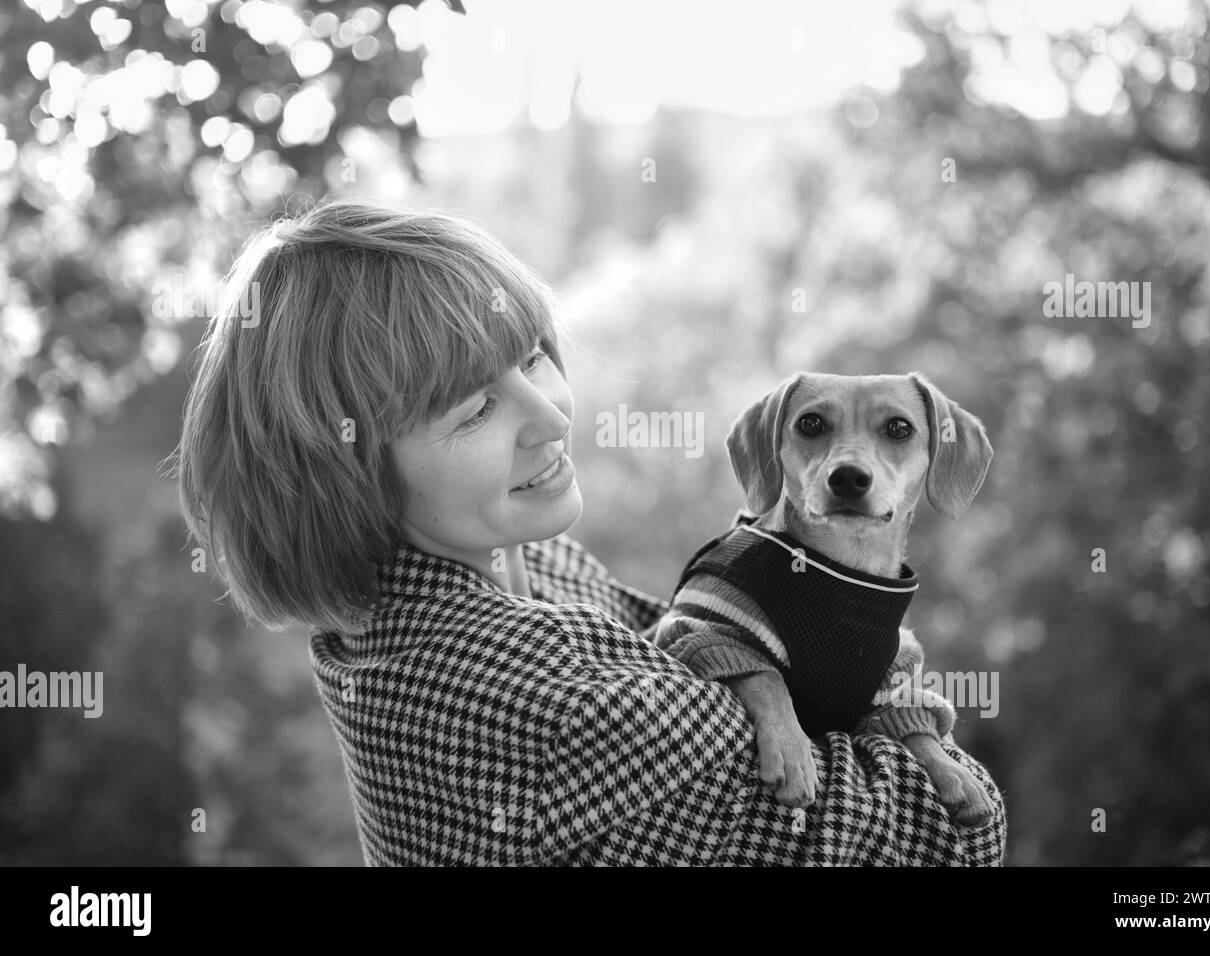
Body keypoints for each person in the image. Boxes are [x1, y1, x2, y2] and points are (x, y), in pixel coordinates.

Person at [172, 199, 1006, 865]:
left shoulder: (520, 561)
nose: (549, 416)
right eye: (474, 411)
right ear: (344, 472)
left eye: (532, 358)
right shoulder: (543, 704)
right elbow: (958, 836)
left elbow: (716, 636)